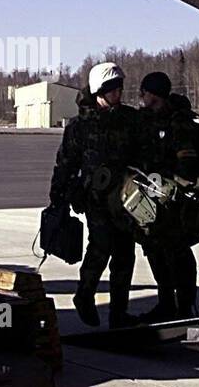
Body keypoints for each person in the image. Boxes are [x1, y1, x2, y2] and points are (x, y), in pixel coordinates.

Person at [48, 62, 139, 328]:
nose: (117, 95)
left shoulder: (129, 119)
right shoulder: (81, 126)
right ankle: (85, 294)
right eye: (112, 90)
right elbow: (65, 163)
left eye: (119, 89)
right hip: (95, 199)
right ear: (99, 91)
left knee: (125, 253)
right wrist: (58, 197)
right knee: (101, 247)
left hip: (126, 198)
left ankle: (119, 314)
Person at [133, 71, 199, 320]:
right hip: (152, 198)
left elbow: (187, 164)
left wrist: (175, 189)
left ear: (152, 95)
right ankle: (166, 302)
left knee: (178, 253)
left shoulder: (178, 123)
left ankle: (185, 306)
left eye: (145, 94)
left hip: (175, 200)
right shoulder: (146, 120)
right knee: (154, 250)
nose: (142, 99)